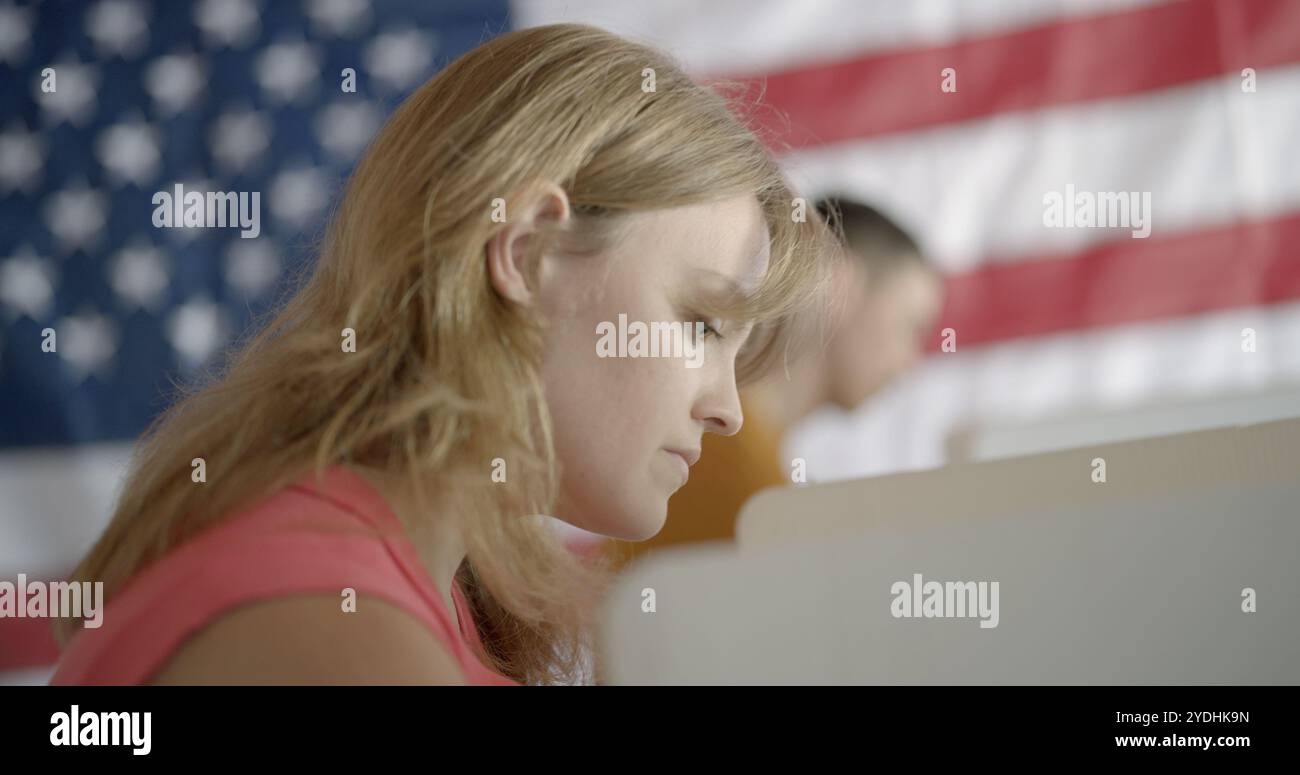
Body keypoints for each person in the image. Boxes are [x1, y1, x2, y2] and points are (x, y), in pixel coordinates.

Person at [47, 24, 833, 686]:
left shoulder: (404, 583)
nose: (728, 408)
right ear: (527, 252)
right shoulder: (339, 632)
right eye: (700, 323)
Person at [609, 197, 944, 569]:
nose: (909, 364)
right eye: (911, 327)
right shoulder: (722, 472)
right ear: (840, 284)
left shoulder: (736, 466)